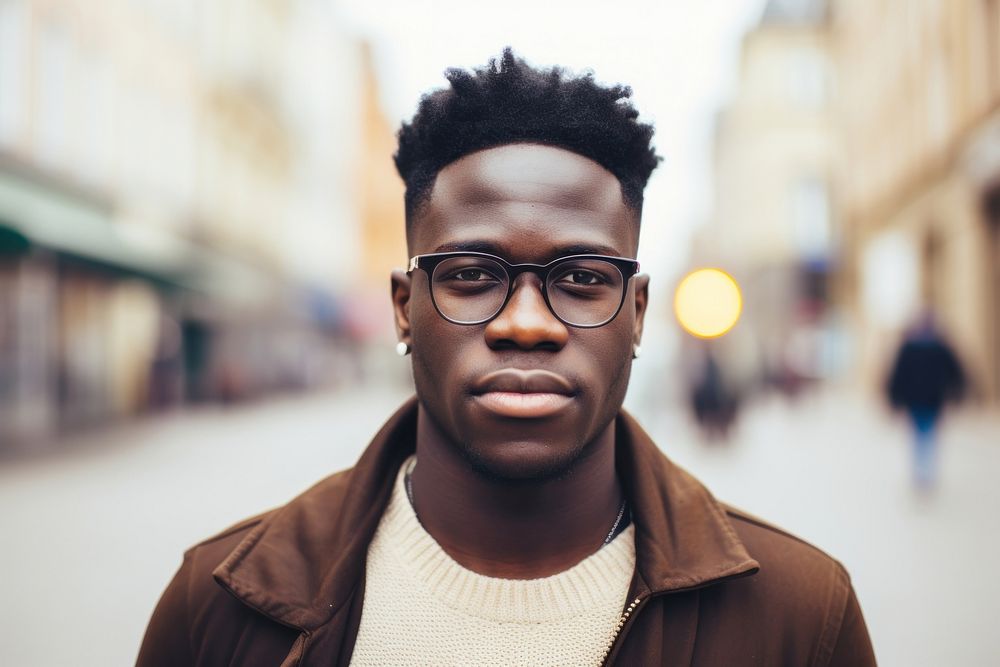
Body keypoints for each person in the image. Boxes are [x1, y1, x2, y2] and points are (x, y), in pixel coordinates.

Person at [138, 50, 875, 666]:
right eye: (471, 275)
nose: (526, 324)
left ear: (639, 312)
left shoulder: (801, 618)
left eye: (583, 280)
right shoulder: (220, 608)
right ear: (405, 305)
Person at [887, 313, 966, 490]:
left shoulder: (909, 348)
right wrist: (958, 392)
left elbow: (897, 375)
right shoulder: (940, 347)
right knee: (929, 433)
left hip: (916, 400)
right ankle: (926, 471)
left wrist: (895, 399)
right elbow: (956, 372)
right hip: (933, 399)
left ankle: (921, 471)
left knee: (918, 434)